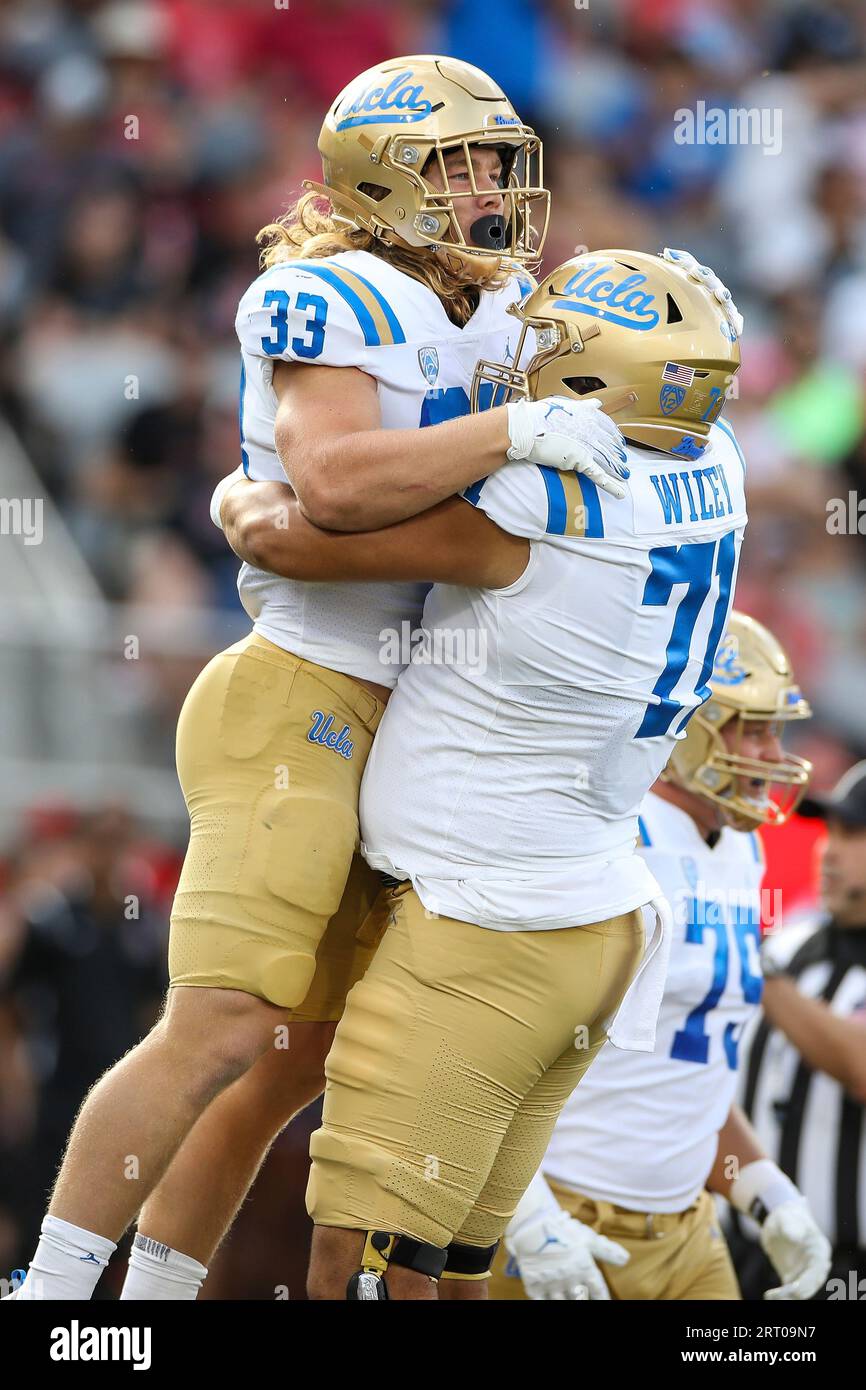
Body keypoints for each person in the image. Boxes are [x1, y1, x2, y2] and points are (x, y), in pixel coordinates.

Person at [7, 55, 629, 1303]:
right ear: (379, 175)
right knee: (222, 1023)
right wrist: (504, 431)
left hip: (428, 713)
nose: (487, 189)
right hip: (304, 689)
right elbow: (335, 483)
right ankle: (52, 1296)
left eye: (496, 161)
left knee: (298, 1055)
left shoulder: (513, 311)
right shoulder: (327, 292)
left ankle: (155, 1301)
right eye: (456, 164)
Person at [218, 245, 747, 1298]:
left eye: (551, 346)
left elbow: (300, 535)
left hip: (485, 919)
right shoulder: (714, 459)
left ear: (600, 379)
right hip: (591, 906)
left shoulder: (544, 498)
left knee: (359, 1257)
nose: (523, 359)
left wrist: (239, 493)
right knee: (451, 1255)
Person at [487, 612, 832, 1301]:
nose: (772, 754)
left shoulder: (743, 849)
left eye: (777, 731)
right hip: (569, 1219)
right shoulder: (609, 840)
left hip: (690, 1233)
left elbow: (688, 1070)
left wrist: (765, 1190)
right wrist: (527, 1216)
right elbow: (487, 1055)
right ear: (686, 723)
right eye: (753, 729)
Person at [727, 761, 866, 1301]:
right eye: (830, 832)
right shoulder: (790, 943)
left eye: (853, 835)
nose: (828, 850)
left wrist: (750, 961)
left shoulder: (767, 960)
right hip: (742, 1253)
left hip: (848, 1275)